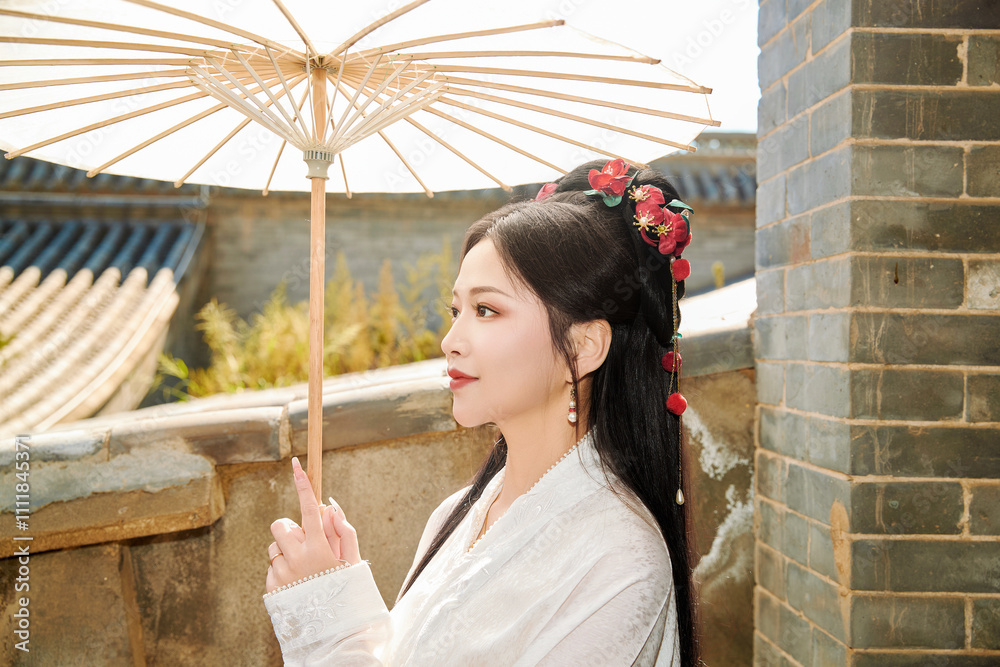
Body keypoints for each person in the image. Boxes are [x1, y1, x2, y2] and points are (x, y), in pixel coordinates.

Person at [262, 158, 699, 666]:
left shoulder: (620, 561)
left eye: (486, 310)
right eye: (455, 311)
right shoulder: (455, 515)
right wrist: (345, 598)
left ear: (582, 347)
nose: (450, 341)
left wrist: (327, 623)